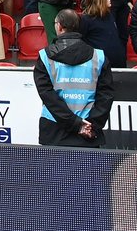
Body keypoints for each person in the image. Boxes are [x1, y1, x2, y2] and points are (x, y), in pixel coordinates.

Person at [33, 9, 114, 147]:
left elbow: (47, 96)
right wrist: (91, 125)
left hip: (54, 131)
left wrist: (75, 124)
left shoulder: (45, 57)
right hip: (88, 132)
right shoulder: (98, 57)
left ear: (59, 26)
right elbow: (106, 96)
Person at [79, 0, 125, 68]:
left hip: (118, 63)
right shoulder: (86, 20)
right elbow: (81, 41)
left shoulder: (109, 15)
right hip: (100, 66)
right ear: (99, 0)